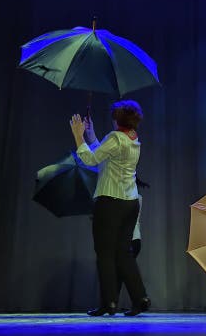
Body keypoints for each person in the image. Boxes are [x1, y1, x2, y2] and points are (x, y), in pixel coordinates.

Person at [70, 100, 150, 317]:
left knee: (105, 253)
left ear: (117, 119)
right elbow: (104, 158)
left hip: (110, 201)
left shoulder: (115, 138)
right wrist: (92, 135)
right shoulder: (133, 139)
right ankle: (140, 297)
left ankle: (110, 303)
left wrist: (78, 135)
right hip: (129, 203)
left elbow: (89, 159)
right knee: (124, 253)